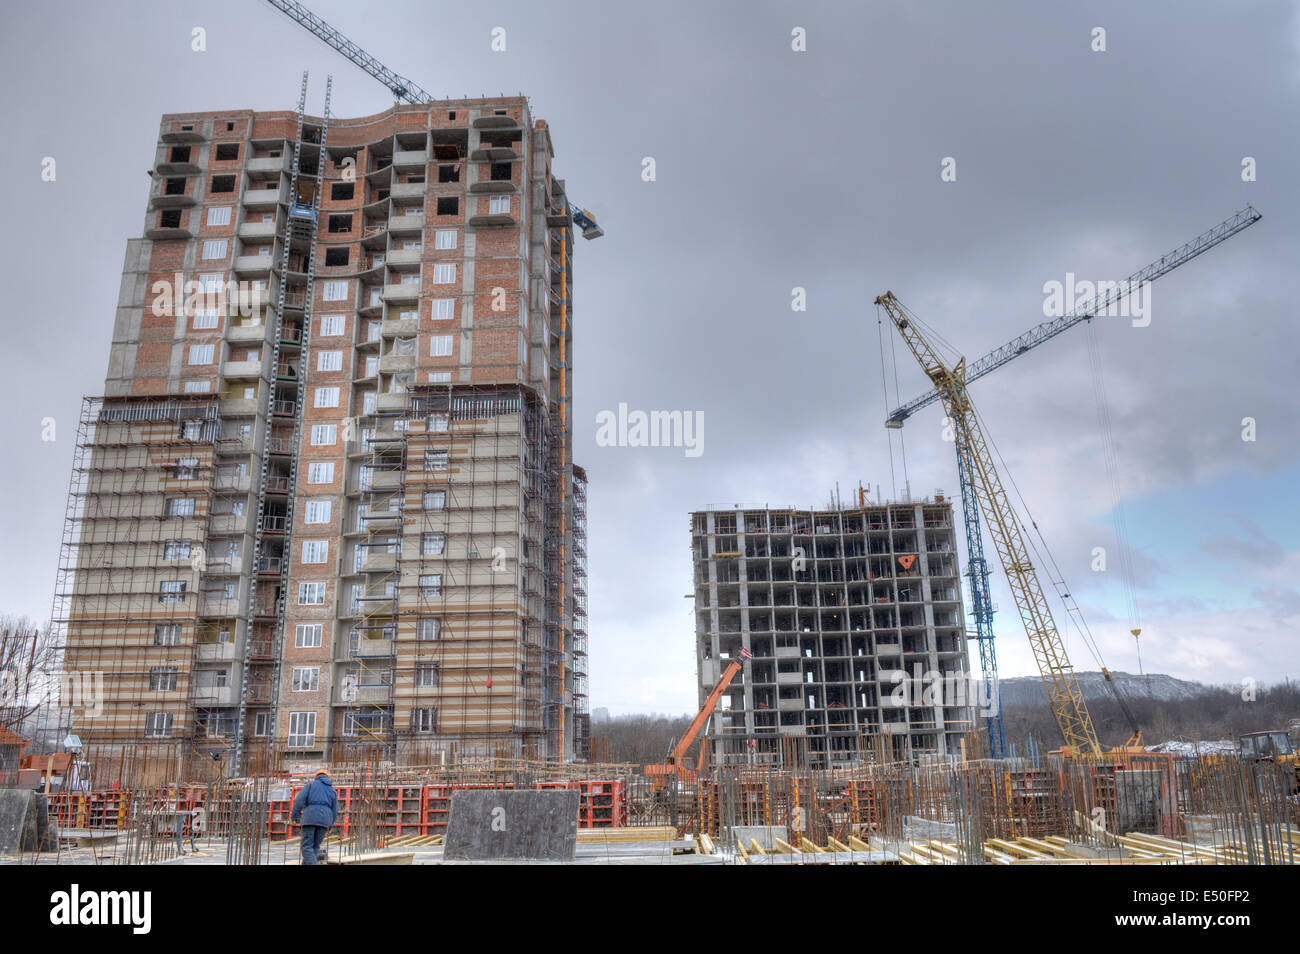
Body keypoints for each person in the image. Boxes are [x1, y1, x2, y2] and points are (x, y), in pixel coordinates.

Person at [290, 768, 338, 866]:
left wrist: (295, 816)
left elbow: (299, 800)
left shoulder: (311, 785)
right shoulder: (332, 790)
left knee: (307, 848)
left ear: (316, 777)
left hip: (310, 819)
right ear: (327, 778)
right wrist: (330, 825)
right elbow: (335, 810)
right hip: (325, 821)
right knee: (315, 847)